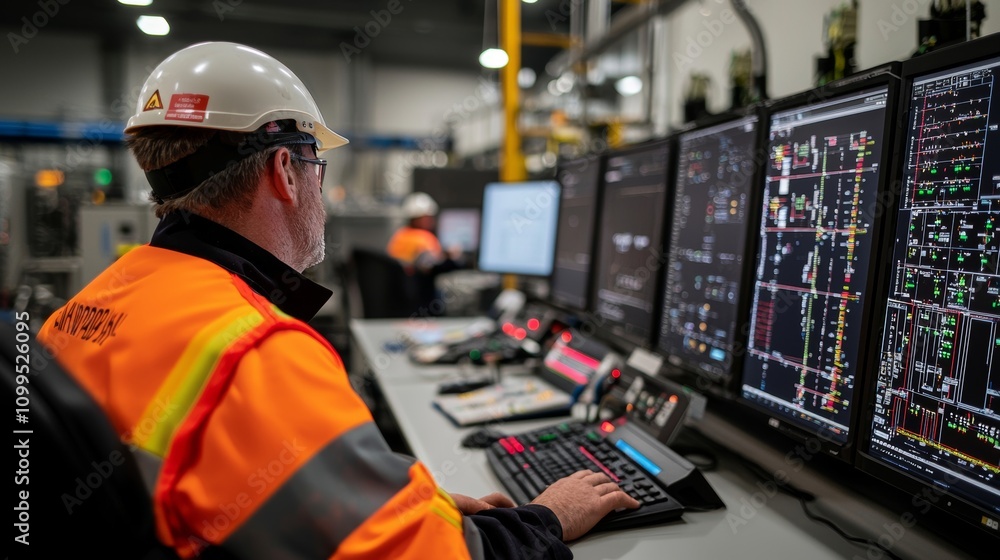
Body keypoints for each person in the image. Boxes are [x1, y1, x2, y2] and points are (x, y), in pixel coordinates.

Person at [36, 41, 638, 559]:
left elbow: (205, 484)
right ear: (285, 171)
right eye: (316, 166)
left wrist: (391, 503)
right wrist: (546, 518)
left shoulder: (79, 311)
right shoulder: (259, 349)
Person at [387, 191, 463, 273]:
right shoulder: (424, 238)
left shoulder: (400, 234)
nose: (431, 220)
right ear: (416, 219)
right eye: (427, 217)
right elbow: (431, 265)